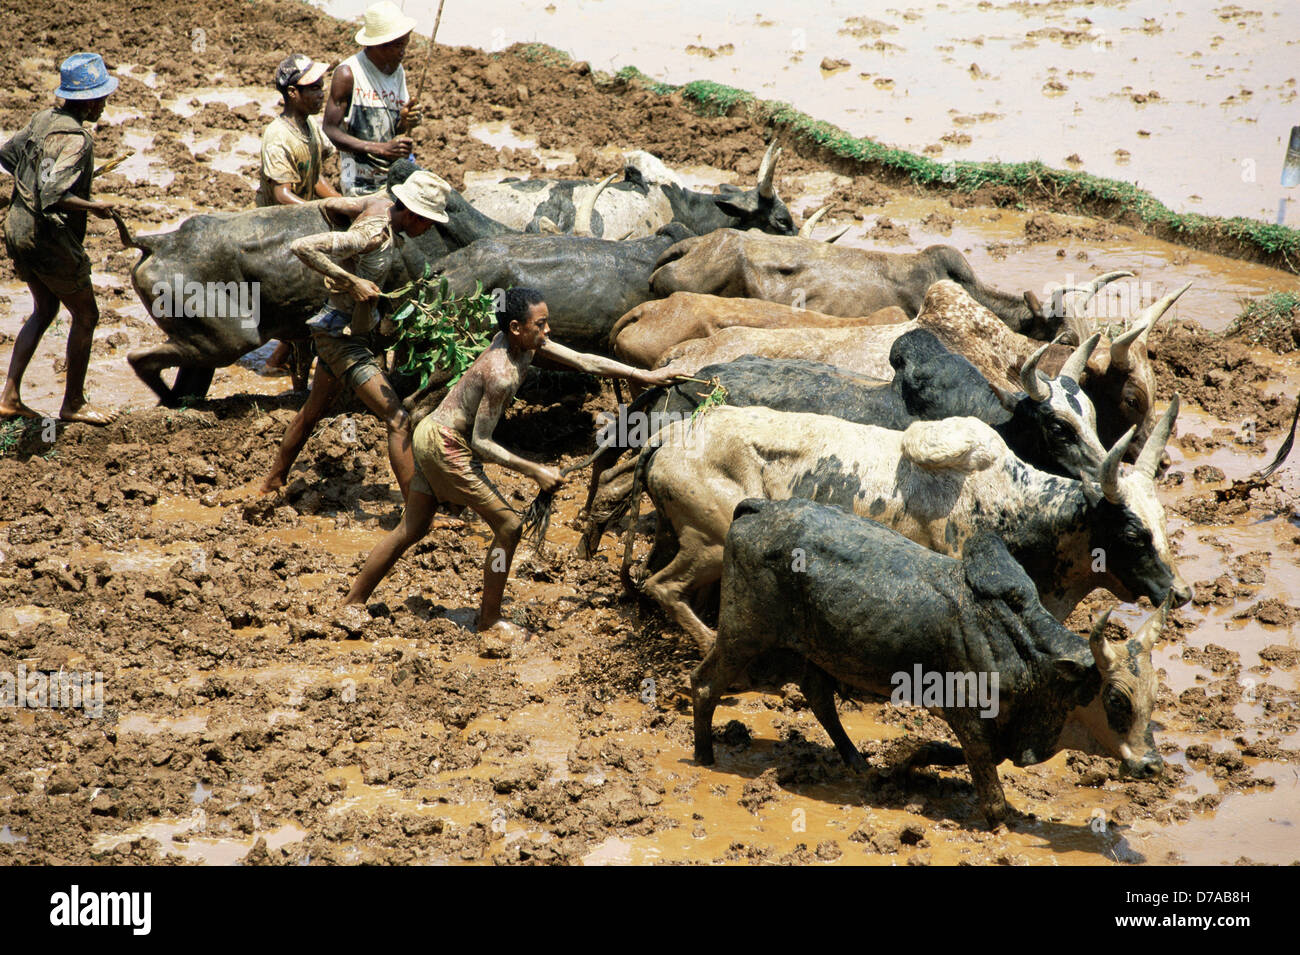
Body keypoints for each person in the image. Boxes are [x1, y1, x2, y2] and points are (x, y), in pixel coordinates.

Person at [339, 288, 680, 640]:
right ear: (516, 327)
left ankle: (352, 602)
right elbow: (481, 443)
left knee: (411, 528)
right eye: (541, 325)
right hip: (446, 445)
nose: (547, 332)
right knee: (509, 526)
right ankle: (489, 619)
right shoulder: (499, 372)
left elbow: (585, 361)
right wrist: (535, 470)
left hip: (430, 433)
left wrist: (643, 376)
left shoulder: (523, 343)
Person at [259, 170, 451, 499]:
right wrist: (351, 281)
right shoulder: (373, 234)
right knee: (397, 418)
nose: (429, 229)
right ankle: (416, 514)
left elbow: (332, 204)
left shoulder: (378, 203)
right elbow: (302, 246)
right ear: (415, 215)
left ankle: (272, 481)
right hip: (341, 338)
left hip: (345, 331)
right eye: (429, 222)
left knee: (312, 411)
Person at [0, 52, 120, 425]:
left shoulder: (43, 120)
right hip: (47, 238)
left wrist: (35, 178)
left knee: (45, 309)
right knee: (86, 314)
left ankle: (10, 397)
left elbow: (7, 156)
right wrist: (95, 206)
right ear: (88, 99)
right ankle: (73, 404)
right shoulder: (79, 140)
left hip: (17, 230)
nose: (104, 104)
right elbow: (54, 196)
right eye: (101, 97)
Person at [257, 53, 342, 376]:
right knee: (308, 297)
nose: (322, 93)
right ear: (293, 93)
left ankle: (278, 361)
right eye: (314, 87)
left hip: (304, 220)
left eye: (322, 86)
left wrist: (343, 205)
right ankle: (277, 361)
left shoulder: (309, 126)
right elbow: (281, 194)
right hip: (279, 226)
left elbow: (316, 178)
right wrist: (324, 210)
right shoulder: (278, 136)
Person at [324, 0, 422, 197]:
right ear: (378, 45)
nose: (403, 52)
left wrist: (404, 120)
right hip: (359, 181)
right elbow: (331, 129)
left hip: (392, 174)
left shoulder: (397, 71)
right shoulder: (349, 74)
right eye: (398, 46)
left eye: (405, 44)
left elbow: (395, 131)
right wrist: (380, 149)